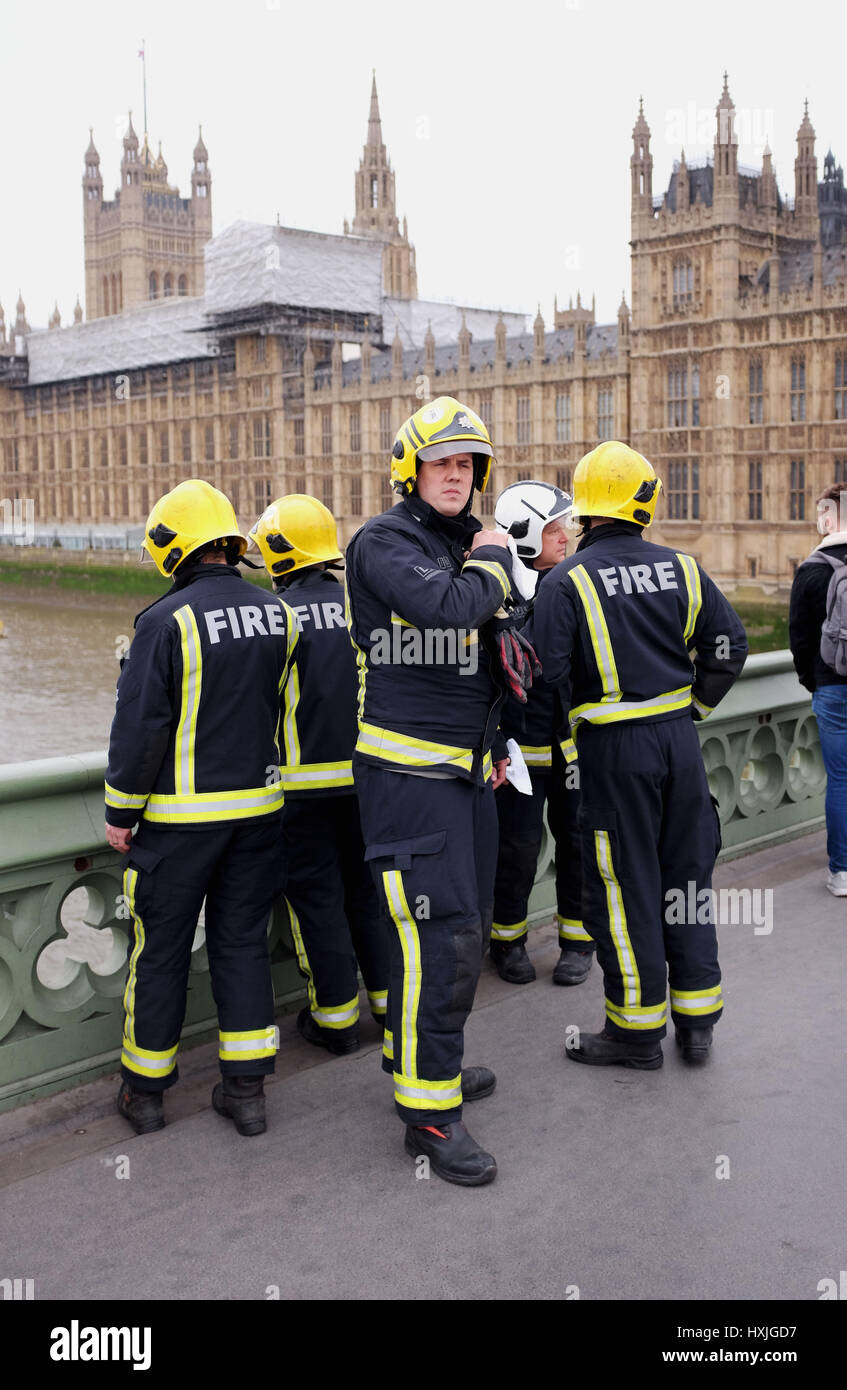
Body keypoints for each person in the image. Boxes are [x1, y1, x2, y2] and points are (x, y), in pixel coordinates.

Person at [345, 395, 537, 1186]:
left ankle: (427, 1064)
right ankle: (428, 1115)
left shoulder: (457, 541)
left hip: (461, 771)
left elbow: (492, 647)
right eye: (440, 464)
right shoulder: (386, 541)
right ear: (410, 470)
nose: (455, 476)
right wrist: (495, 561)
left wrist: (491, 748)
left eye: (466, 465)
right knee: (443, 938)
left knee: (460, 927)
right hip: (407, 777)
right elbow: (447, 608)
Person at [530, 441, 747, 1068]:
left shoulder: (567, 580)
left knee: (625, 889)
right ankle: (698, 1020)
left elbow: (544, 671)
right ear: (644, 505)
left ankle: (635, 1032)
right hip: (679, 744)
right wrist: (692, 710)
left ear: (584, 513)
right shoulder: (683, 567)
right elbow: (727, 646)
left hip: (612, 749)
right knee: (687, 880)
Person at [105, 479, 298, 1137]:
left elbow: (141, 728)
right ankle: (245, 1094)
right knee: (240, 940)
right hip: (261, 812)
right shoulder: (278, 612)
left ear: (173, 549)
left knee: (159, 950)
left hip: (183, 824)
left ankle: (146, 1094)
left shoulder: (164, 623)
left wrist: (121, 812)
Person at [248, 494, 389, 1052]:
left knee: (317, 903)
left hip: (300, 791)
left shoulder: (273, 616)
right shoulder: (364, 606)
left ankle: (333, 1020)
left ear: (280, 557)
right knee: (368, 896)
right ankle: (386, 1004)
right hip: (367, 783)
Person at [489, 480, 592, 986]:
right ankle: (507, 942)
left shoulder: (577, 582)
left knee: (577, 842)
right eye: (553, 527)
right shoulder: (495, 591)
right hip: (518, 748)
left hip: (571, 745)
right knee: (516, 849)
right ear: (525, 533)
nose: (565, 535)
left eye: (566, 525)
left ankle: (577, 941)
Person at [789, 481, 847, 896]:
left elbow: (800, 639)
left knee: (840, 780)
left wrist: (816, 682)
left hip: (832, 685)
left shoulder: (812, 568)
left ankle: (842, 871)